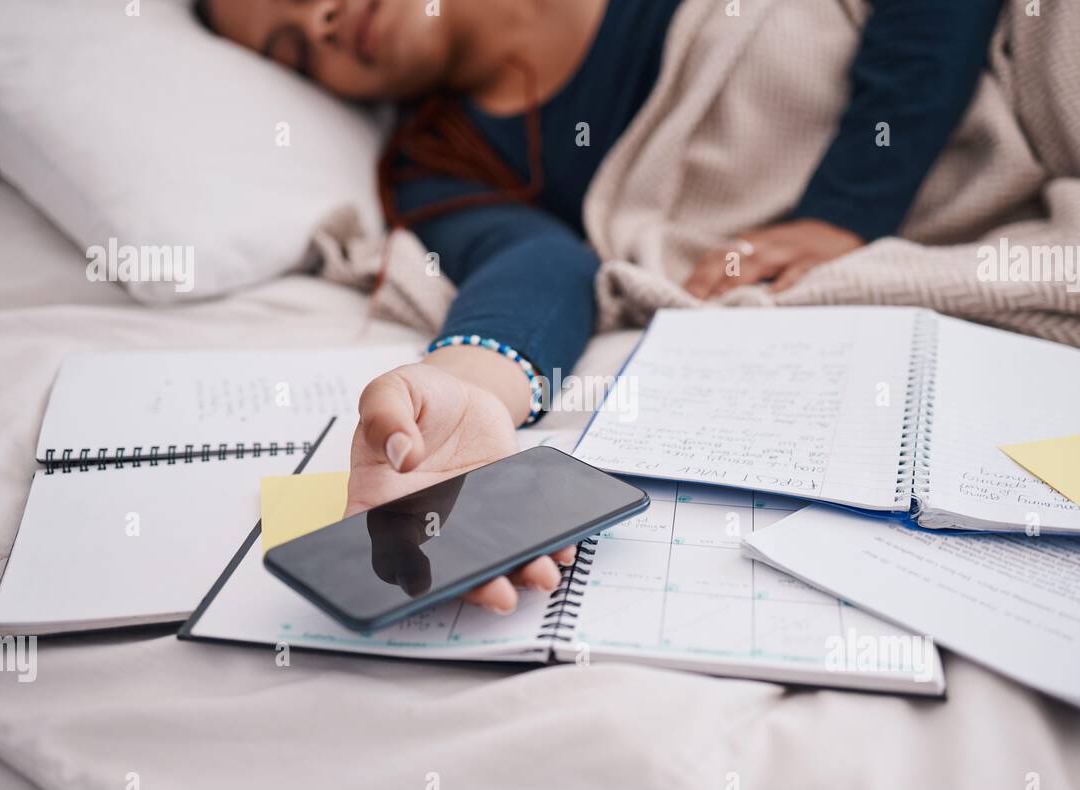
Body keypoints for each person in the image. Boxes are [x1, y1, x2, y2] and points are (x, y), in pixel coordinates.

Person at [197, 0, 1001, 613]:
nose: (320, 21)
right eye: (295, 52)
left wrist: (849, 209)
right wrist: (467, 392)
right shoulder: (440, 162)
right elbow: (539, 266)